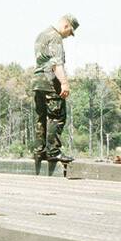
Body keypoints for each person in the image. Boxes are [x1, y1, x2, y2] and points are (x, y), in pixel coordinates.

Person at [30, 14, 79, 174]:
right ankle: (53, 152)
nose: (68, 36)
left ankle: (39, 150)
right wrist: (64, 83)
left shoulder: (42, 34)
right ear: (66, 26)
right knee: (57, 116)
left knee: (40, 118)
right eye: (70, 32)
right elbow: (57, 63)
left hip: (37, 82)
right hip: (50, 82)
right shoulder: (56, 38)